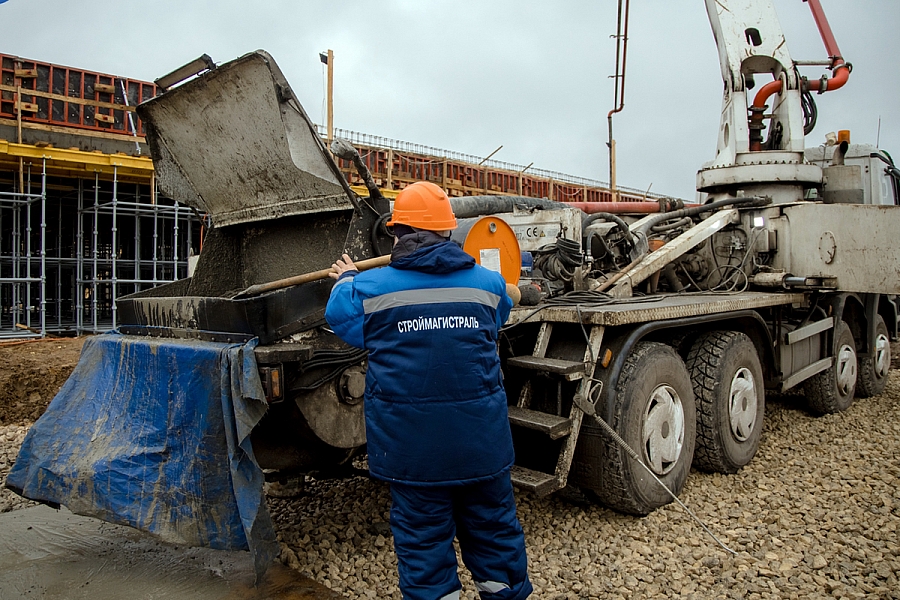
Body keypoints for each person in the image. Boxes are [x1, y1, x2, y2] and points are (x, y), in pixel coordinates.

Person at [325, 181, 532, 600]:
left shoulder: (370, 289)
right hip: (481, 445)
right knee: (495, 533)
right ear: (449, 231)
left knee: (423, 543)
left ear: (397, 232)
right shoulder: (487, 285)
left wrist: (345, 278)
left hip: (413, 453)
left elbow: (339, 316)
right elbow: (500, 313)